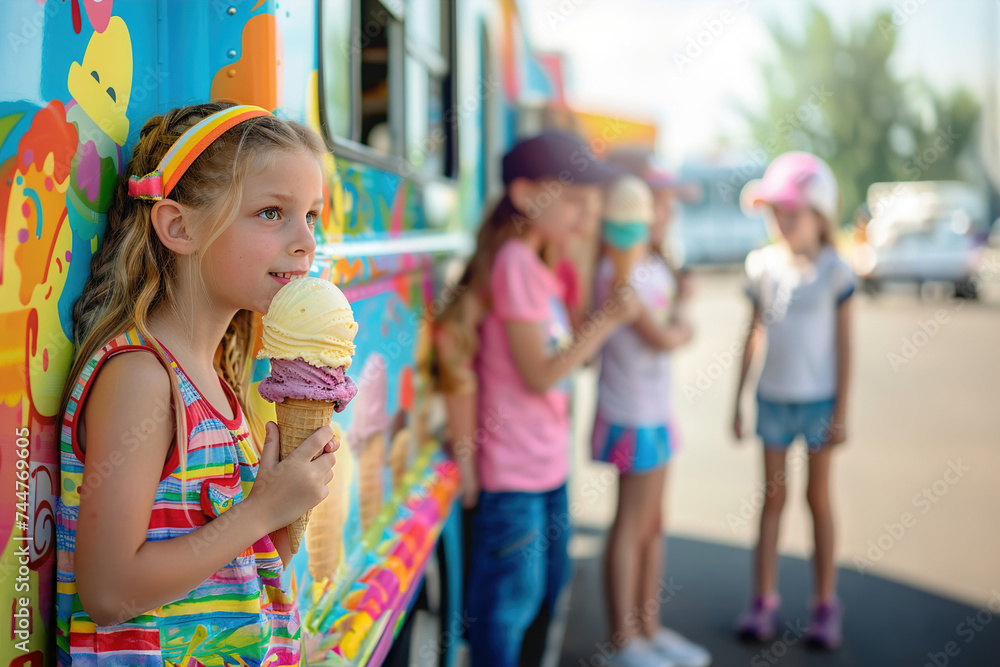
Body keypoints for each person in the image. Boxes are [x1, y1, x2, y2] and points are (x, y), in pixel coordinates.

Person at [55, 102, 340, 666]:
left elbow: (243, 563)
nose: (305, 240)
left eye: (311, 215)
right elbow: (110, 593)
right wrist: (260, 510)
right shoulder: (142, 377)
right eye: (270, 213)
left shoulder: (217, 377)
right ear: (179, 227)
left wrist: (287, 505)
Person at [437, 131, 637, 667]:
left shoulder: (538, 267)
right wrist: (608, 321)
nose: (583, 211)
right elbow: (542, 374)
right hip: (515, 479)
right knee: (507, 615)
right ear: (526, 197)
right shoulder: (515, 267)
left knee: (543, 599)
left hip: (543, 470)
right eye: (571, 197)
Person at [732, 152, 855, 650]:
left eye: (793, 213)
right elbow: (751, 336)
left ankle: (826, 604)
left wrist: (842, 412)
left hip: (819, 403)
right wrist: (736, 399)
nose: (783, 223)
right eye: (776, 213)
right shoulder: (762, 267)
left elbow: (846, 346)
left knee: (816, 499)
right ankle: (763, 599)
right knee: (772, 500)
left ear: (820, 214)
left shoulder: (835, 271)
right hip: (772, 402)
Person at [591, 169, 709, 667]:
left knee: (654, 524)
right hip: (630, 415)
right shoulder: (618, 273)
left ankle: (648, 626)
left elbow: (667, 328)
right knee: (632, 524)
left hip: (654, 413)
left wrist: (680, 311)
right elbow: (666, 336)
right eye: (660, 205)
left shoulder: (650, 266)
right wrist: (685, 318)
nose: (669, 215)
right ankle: (624, 640)